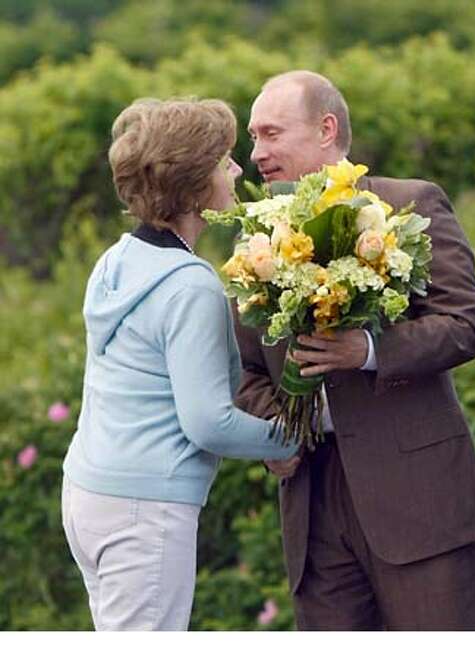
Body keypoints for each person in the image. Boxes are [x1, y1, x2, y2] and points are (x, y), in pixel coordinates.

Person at [233, 70, 475, 630]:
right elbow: (246, 370)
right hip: (312, 499)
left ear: (326, 129)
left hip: (416, 498)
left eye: (271, 134)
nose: (257, 153)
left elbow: (464, 324)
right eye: (254, 138)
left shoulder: (409, 204)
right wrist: (272, 431)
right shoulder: (255, 238)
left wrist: (370, 350)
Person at [61, 98, 299, 631]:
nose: (238, 169)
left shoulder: (118, 259)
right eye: (223, 161)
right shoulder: (190, 285)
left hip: (88, 493)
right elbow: (208, 422)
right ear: (193, 189)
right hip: (143, 510)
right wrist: (291, 439)